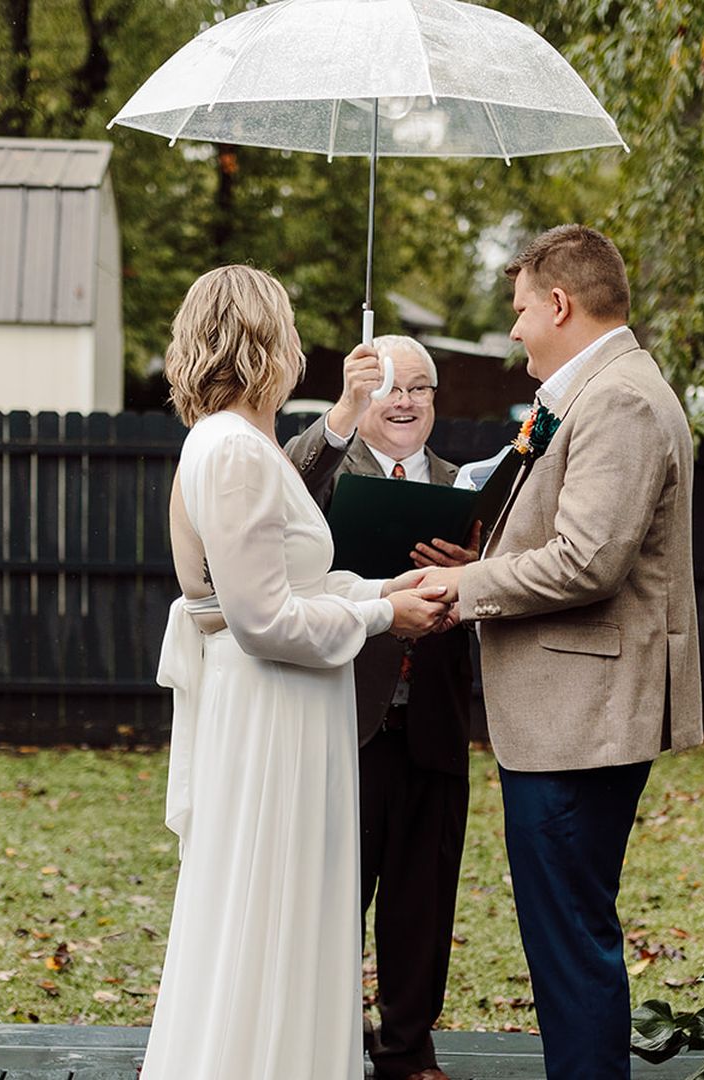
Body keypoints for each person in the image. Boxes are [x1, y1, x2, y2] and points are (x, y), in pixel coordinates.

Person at [141, 266, 451, 1080]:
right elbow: (262, 618)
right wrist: (386, 616)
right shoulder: (237, 452)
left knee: (286, 920)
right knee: (270, 919)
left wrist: (386, 586)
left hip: (289, 714)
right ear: (264, 343)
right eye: (287, 330)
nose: (299, 347)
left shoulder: (239, 443)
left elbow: (295, 586)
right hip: (275, 717)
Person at [412, 225, 704, 1080]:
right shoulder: (592, 393)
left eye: (520, 311)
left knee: (572, 939)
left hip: (580, 718)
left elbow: (589, 560)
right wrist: (485, 564)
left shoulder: (618, 400)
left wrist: (460, 592)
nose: (513, 331)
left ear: (560, 304)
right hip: (569, 710)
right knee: (566, 932)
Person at [283, 336, 477, 1080]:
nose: (403, 402)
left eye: (419, 389)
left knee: (422, 899)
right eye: (389, 388)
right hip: (343, 719)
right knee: (333, 894)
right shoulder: (327, 472)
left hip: (432, 721)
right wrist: (339, 412)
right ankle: (328, 1041)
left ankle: (407, 1050)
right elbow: (287, 488)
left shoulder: (469, 485)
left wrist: (478, 571)